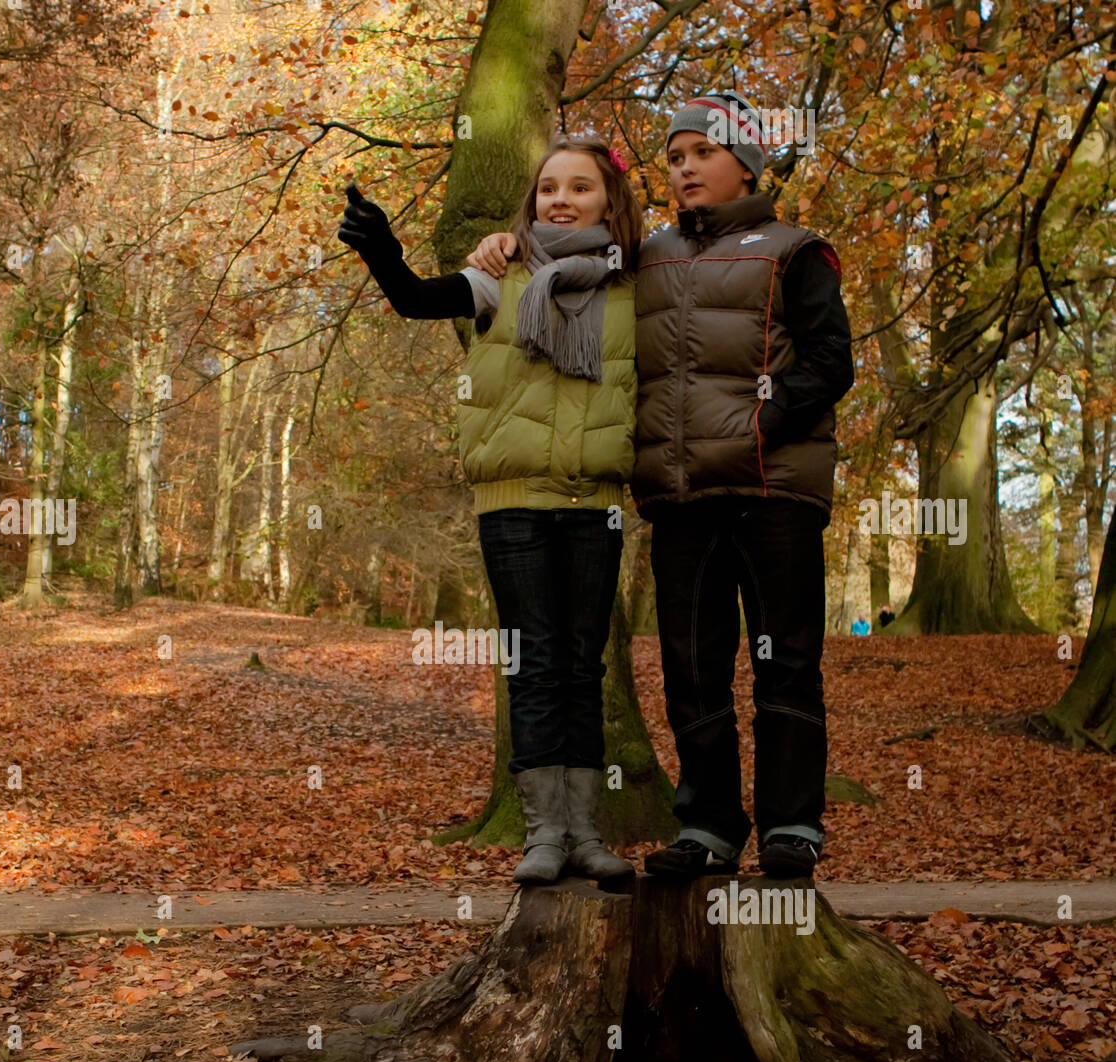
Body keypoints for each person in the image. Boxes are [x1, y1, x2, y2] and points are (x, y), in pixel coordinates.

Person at [468, 93, 854, 880]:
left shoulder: (795, 250)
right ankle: (708, 828)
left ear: (742, 162)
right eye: (673, 159)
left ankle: (791, 826)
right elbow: (569, 262)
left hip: (774, 489)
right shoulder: (647, 258)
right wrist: (503, 244)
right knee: (691, 666)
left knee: (786, 664)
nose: (683, 169)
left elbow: (828, 363)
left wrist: (759, 424)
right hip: (678, 500)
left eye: (700, 154)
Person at [338, 136, 643, 884]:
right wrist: (381, 249)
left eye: (580, 188)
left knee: (582, 665)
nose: (561, 200)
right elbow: (414, 298)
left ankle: (585, 834)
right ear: (530, 202)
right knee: (534, 663)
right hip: (512, 504)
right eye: (547, 189)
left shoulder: (639, 287)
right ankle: (544, 836)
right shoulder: (497, 278)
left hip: (596, 502)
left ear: (611, 201)